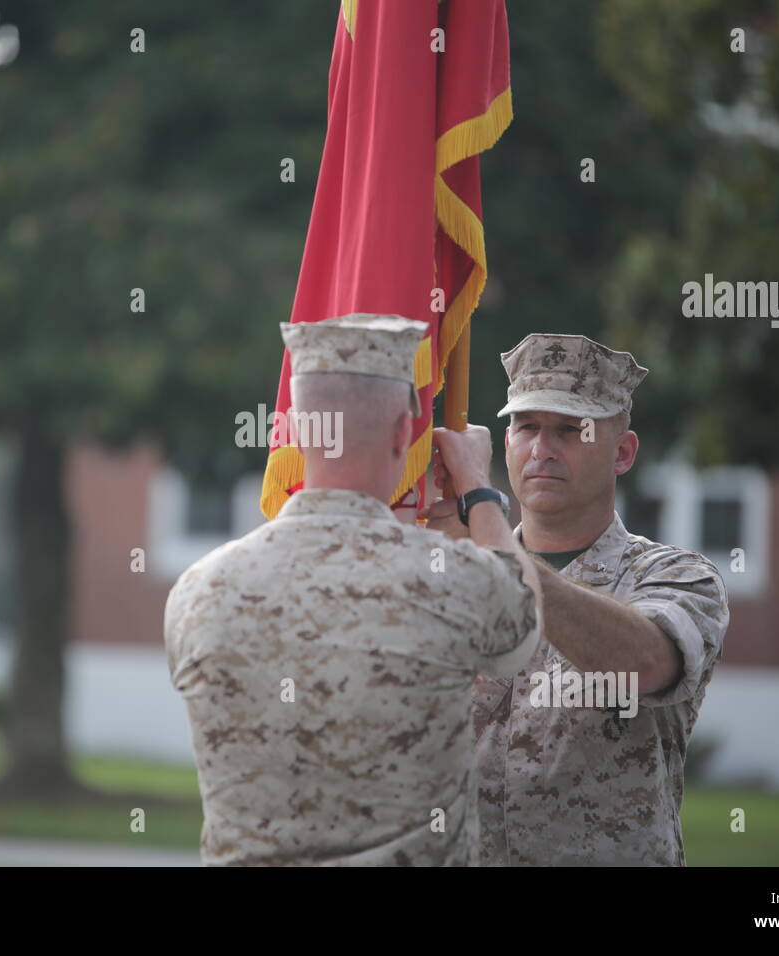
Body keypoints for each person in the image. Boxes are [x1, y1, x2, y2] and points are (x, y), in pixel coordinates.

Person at [165, 313, 541, 865]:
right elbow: (522, 624)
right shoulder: (452, 580)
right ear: (401, 433)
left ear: (295, 433)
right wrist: (478, 488)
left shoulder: (198, 590)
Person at [421, 333, 730, 865]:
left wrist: (480, 501)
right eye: (527, 428)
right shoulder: (451, 570)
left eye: (571, 429)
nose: (543, 449)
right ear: (507, 441)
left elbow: (642, 663)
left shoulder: (675, 577)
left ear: (623, 452)